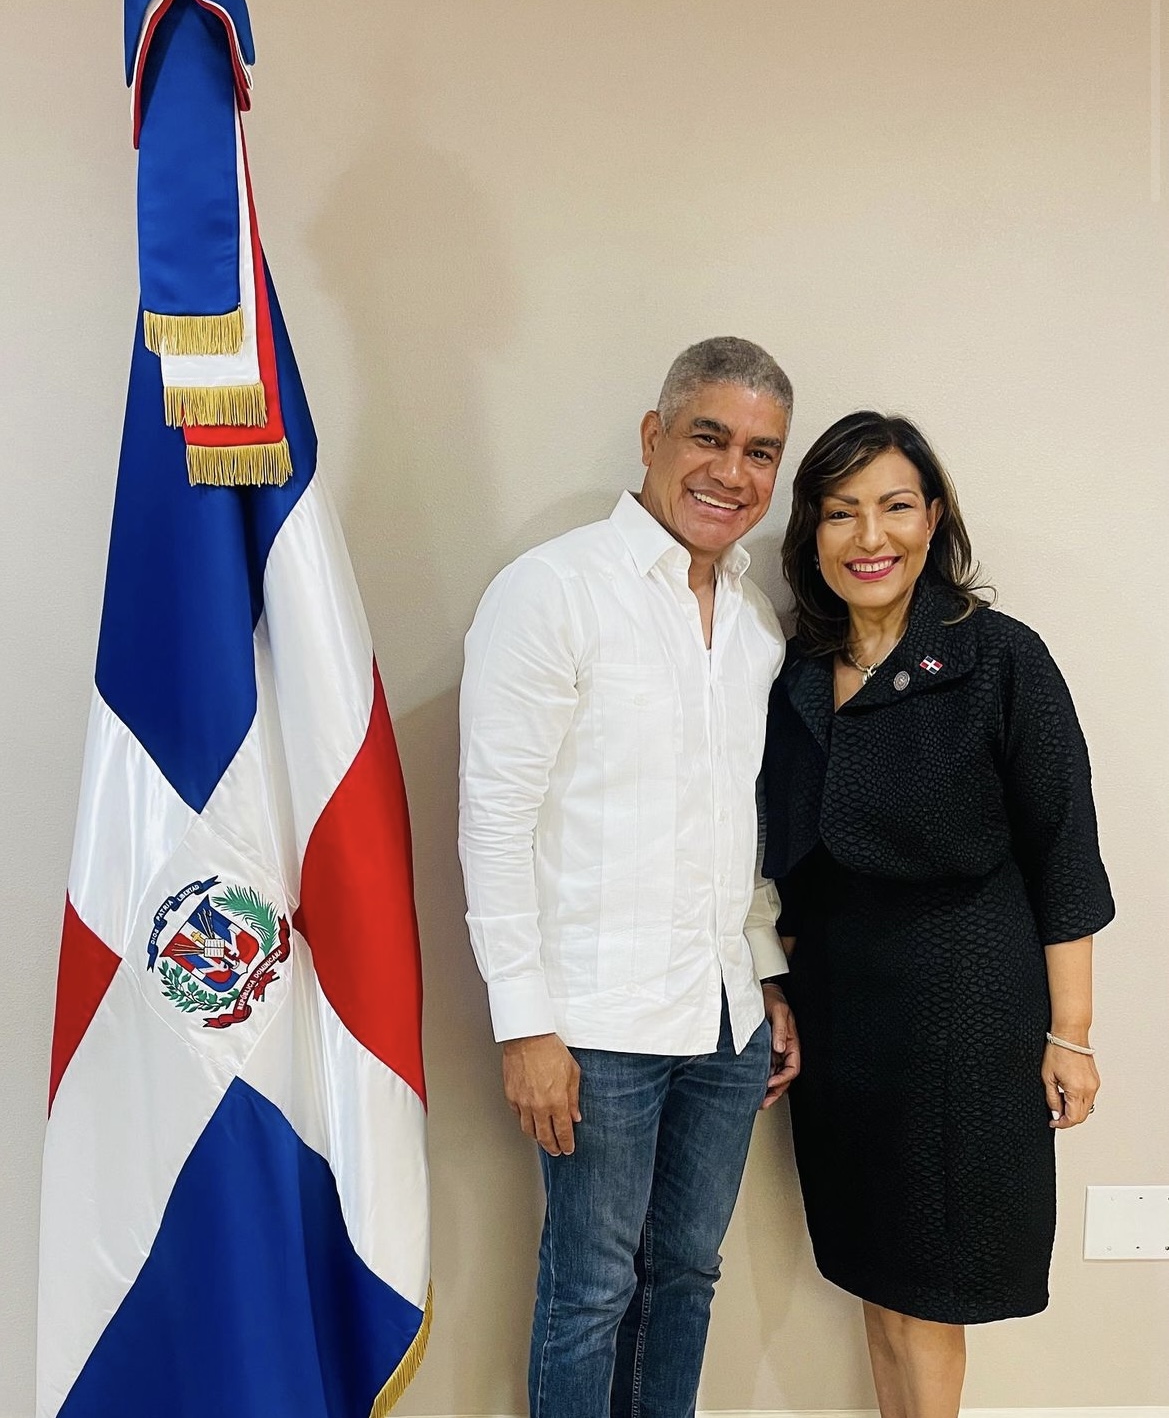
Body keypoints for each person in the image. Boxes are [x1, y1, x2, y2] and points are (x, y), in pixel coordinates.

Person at [459, 337, 800, 1418]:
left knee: (686, 1276)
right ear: (652, 438)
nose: (731, 472)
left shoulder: (753, 625)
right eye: (708, 436)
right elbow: (493, 820)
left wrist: (764, 978)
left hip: (723, 1023)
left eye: (760, 451)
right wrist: (524, 1024)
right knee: (590, 1290)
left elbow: (736, 827)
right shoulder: (550, 590)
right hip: (592, 1026)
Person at [761, 411, 1114, 1418]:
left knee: (930, 1287)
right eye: (841, 512)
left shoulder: (998, 659)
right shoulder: (792, 673)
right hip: (840, 1017)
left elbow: (1064, 851)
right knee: (875, 1275)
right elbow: (774, 854)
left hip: (961, 1008)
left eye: (893, 506)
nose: (868, 536)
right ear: (812, 531)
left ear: (933, 518)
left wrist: (1071, 1034)